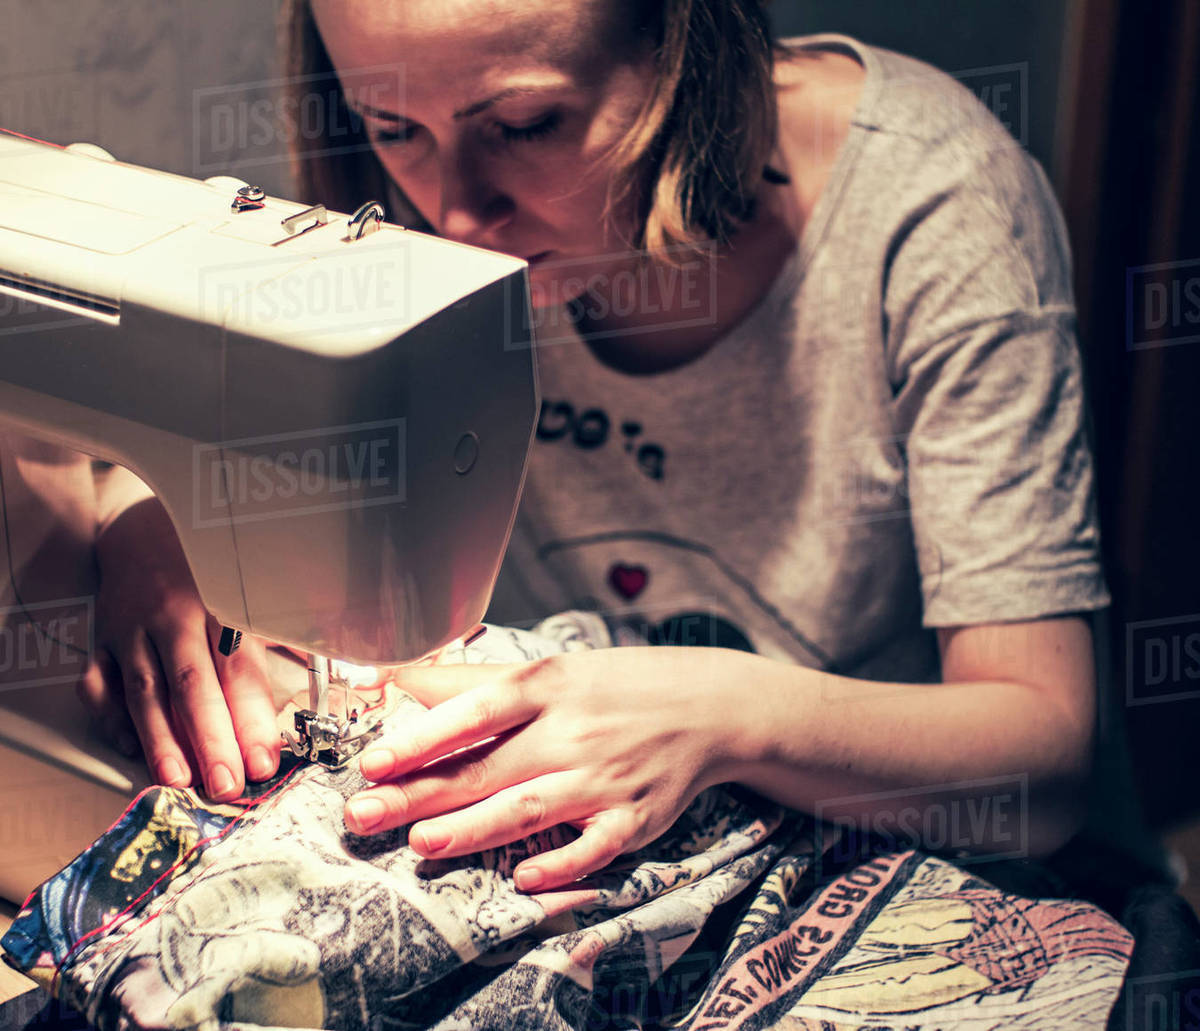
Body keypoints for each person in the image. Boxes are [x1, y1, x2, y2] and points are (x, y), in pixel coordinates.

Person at [78, 0, 1116, 898]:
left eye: (526, 126)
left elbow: (1044, 760)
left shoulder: (934, 202)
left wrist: (728, 711)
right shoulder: (389, 199)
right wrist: (145, 514)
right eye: (390, 125)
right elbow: (208, 382)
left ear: (684, 50)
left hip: (881, 845)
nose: (455, 212)